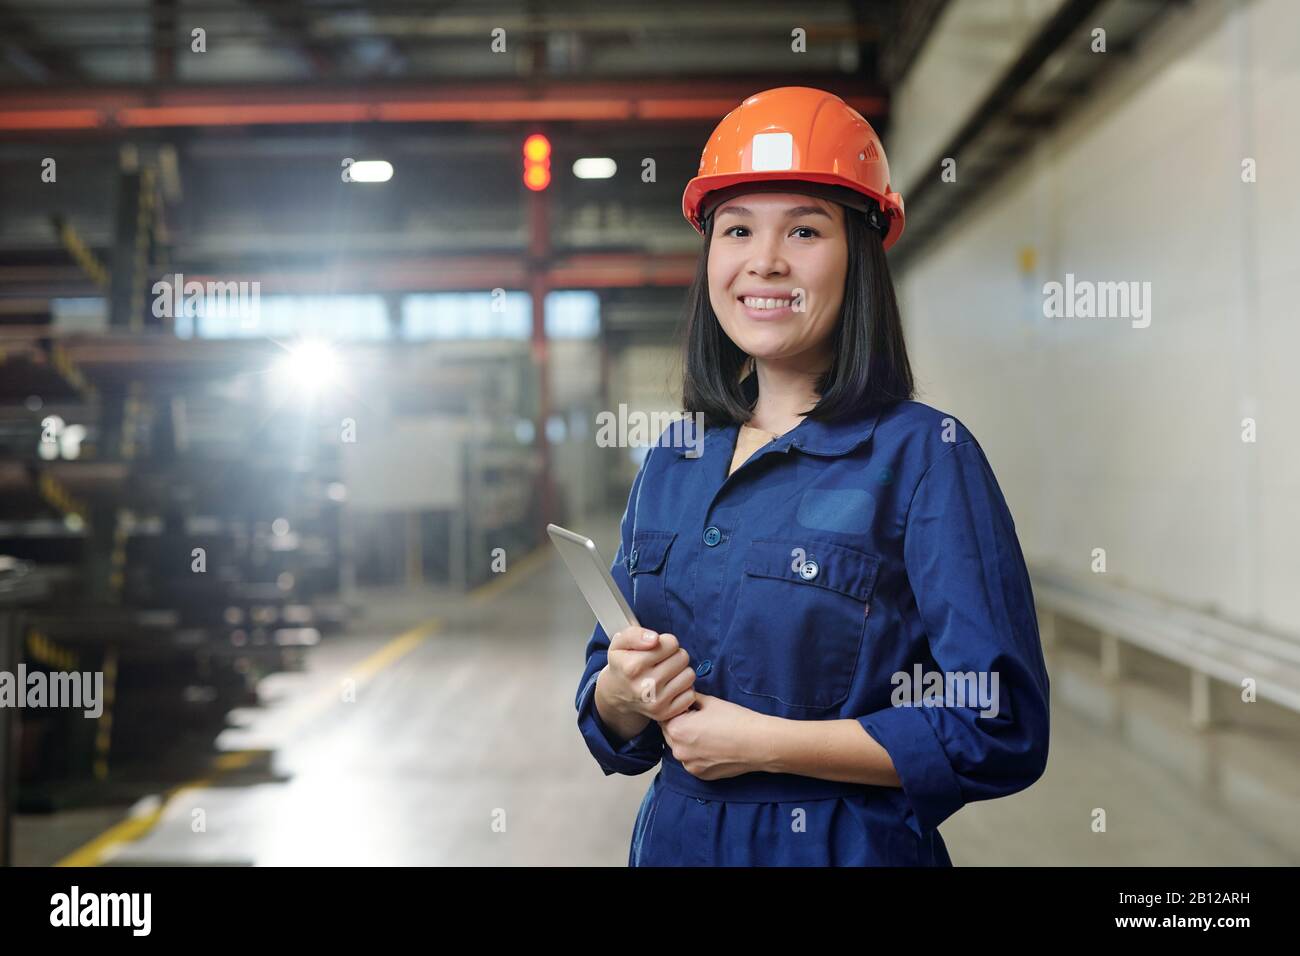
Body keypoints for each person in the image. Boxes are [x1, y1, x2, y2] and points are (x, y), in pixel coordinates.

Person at [574, 86, 1050, 866]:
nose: (764, 260)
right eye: (737, 229)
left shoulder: (925, 456)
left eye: (803, 228)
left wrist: (770, 744)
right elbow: (611, 706)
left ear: (858, 255)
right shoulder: (676, 457)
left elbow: (1000, 726)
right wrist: (623, 693)